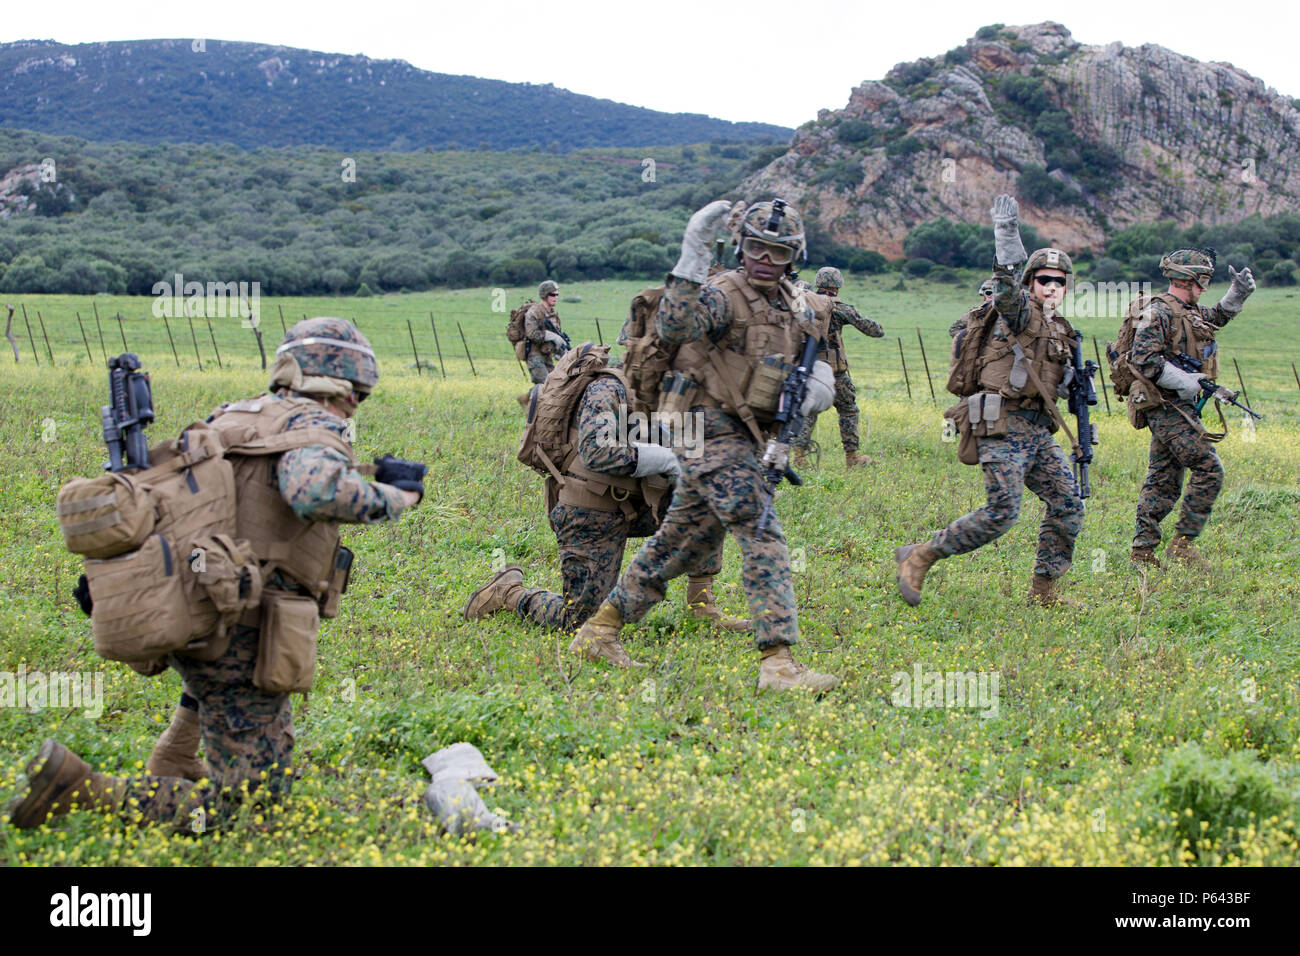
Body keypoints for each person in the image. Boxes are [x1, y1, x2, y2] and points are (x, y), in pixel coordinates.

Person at [9, 318, 424, 831]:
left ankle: (176, 760)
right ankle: (80, 791)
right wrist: (398, 496)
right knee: (252, 815)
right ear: (340, 383)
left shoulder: (234, 416)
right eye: (357, 392)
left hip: (196, 605)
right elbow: (315, 492)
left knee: (217, 686)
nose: (357, 404)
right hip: (240, 623)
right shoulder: (315, 424)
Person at [570, 198, 839, 692]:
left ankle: (600, 629)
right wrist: (693, 250)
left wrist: (799, 416)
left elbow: (792, 380)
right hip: (703, 428)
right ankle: (777, 663)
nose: (764, 258)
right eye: (756, 246)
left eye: (777, 252)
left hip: (747, 436)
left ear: (793, 256)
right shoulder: (722, 294)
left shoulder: (790, 305)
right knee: (761, 531)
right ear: (740, 246)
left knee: (680, 540)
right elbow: (674, 326)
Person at [464, 345, 749, 633]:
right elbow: (597, 452)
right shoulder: (610, 387)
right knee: (580, 624)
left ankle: (702, 607)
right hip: (591, 510)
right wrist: (666, 458)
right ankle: (507, 592)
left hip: (638, 504)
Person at [894, 195, 1084, 608]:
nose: (1052, 287)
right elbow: (1006, 290)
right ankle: (920, 555)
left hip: (1036, 429)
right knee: (1002, 511)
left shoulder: (1062, 329)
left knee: (1068, 506)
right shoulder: (1020, 313)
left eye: (1060, 282)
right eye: (1044, 280)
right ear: (1030, 282)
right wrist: (1007, 235)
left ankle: (1044, 592)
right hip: (1001, 423)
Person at [1126, 249, 1255, 569]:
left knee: (1162, 479)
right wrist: (1187, 381)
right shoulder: (1159, 312)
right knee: (1210, 469)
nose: (1206, 287)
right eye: (1204, 280)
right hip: (1165, 406)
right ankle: (1182, 545)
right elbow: (1144, 362)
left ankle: (1142, 553)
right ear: (1188, 279)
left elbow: (1217, 316)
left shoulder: (1188, 310)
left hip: (1181, 406)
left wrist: (1237, 295)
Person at [793, 266, 884, 468]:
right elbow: (873, 330)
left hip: (810, 367)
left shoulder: (806, 303)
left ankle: (799, 456)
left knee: (809, 410)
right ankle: (851, 457)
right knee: (848, 410)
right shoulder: (839, 307)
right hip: (835, 370)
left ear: (818, 283)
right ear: (837, 286)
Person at [524, 279, 567, 384]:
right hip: (535, 356)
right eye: (552, 295)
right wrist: (550, 336)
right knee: (545, 385)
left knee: (557, 386)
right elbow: (532, 334)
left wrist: (560, 351)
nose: (555, 297)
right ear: (544, 295)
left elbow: (558, 335)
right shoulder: (534, 312)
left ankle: (531, 399)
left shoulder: (554, 314)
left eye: (557, 294)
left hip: (548, 356)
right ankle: (532, 400)